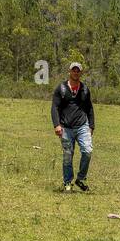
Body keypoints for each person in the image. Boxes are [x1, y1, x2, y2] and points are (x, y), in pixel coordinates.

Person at [52, 62, 95, 192]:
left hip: (82, 126)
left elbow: (89, 108)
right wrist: (56, 125)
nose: (76, 72)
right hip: (66, 128)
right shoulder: (61, 89)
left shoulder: (85, 89)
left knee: (87, 151)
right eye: (73, 70)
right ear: (69, 71)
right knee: (67, 155)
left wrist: (91, 125)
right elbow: (55, 107)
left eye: (78, 71)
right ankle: (67, 183)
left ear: (81, 73)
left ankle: (81, 179)